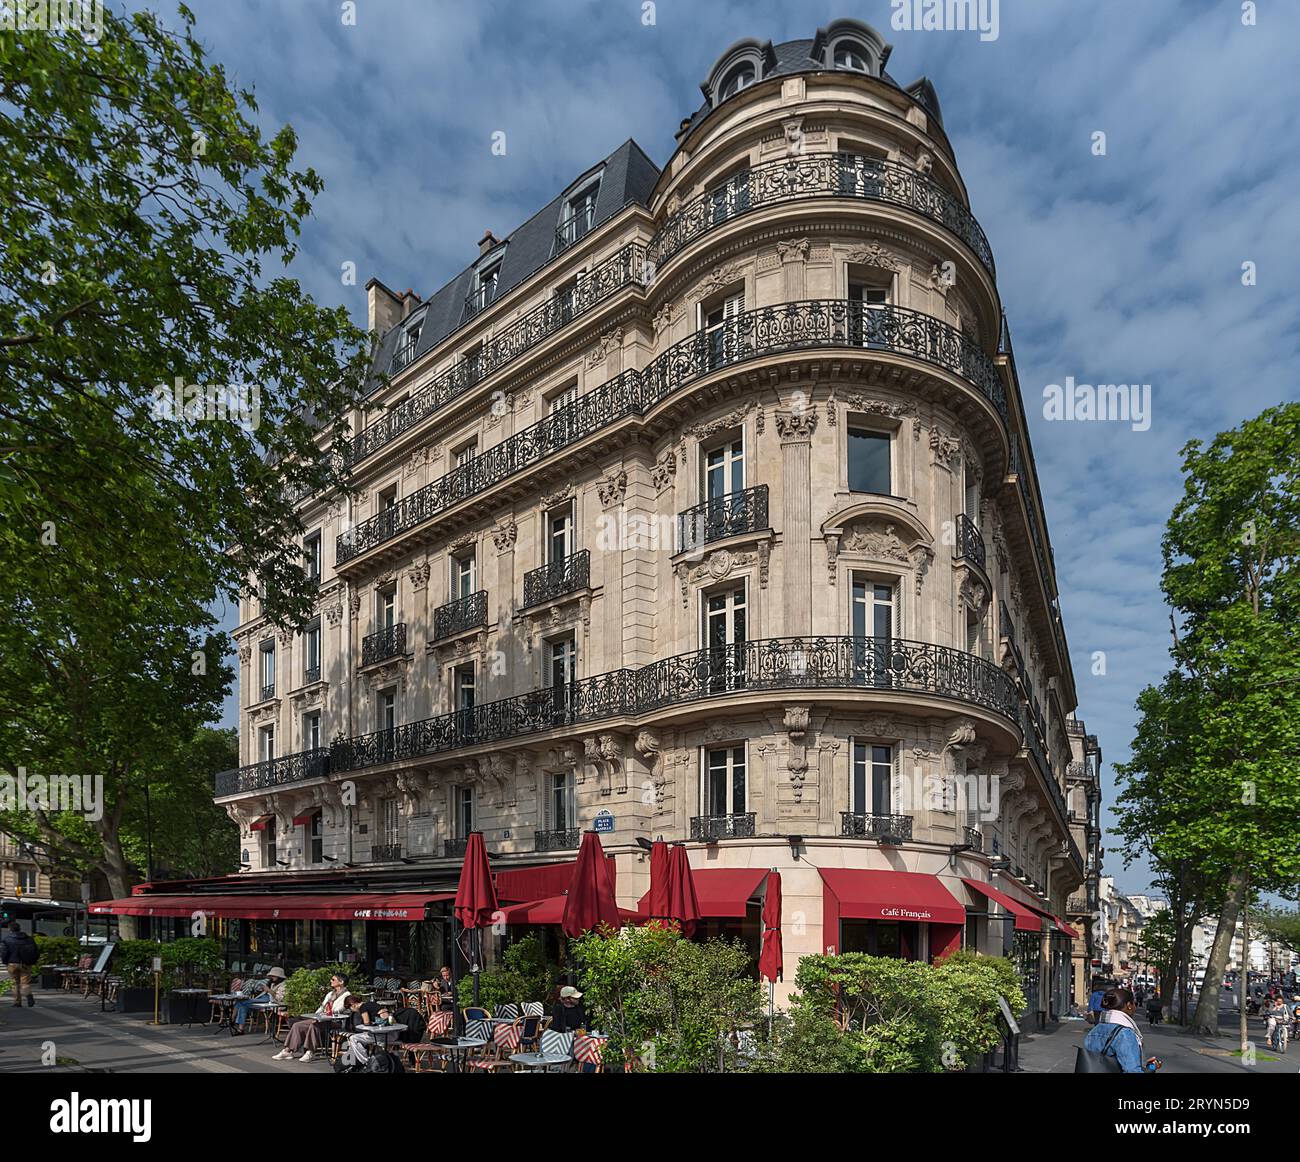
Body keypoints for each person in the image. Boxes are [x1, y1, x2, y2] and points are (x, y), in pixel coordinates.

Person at [273, 973, 351, 1062]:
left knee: (314, 1026)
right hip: (322, 1019)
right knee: (298, 1025)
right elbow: (322, 1007)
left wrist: (321, 1017)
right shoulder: (331, 994)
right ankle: (287, 1051)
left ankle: (310, 1052)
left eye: (333, 979)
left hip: (336, 1022)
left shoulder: (347, 995)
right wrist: (316, 1016)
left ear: (341, 982)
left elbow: (337, 1010)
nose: (331, 981)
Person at [1084, 987, 1161, 1074]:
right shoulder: (1124, 1033)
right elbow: (1132, 1071)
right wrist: (1151, 1068)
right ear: (1129, 1005)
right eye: (1134, 1004)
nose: (1135, 1007)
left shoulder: (1095, 1030)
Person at [232, 966, 287, 1034]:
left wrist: (269, 990)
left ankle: (232, 1020)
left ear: (279, 976)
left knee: (242, 1002)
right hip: (264, 997)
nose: (271, 977)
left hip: (270, 1000)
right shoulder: (273, 983)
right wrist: (263, 989)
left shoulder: (283, 985)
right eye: (271, 976)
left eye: (273, 976)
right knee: (242, 1004)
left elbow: (279, 998)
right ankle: (240, 1029)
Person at [1, 921, 39, 1008]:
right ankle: (28, 994)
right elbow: (36, 951)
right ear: (19, 928)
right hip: (26, 964)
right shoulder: (29, 939)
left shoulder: (7, 939)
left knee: (15, 983)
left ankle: (17, 1002)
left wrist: (5, 962)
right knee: (25, 982)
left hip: (12, 963)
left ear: (9, 929)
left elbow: (4, 953)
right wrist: (32, 961)